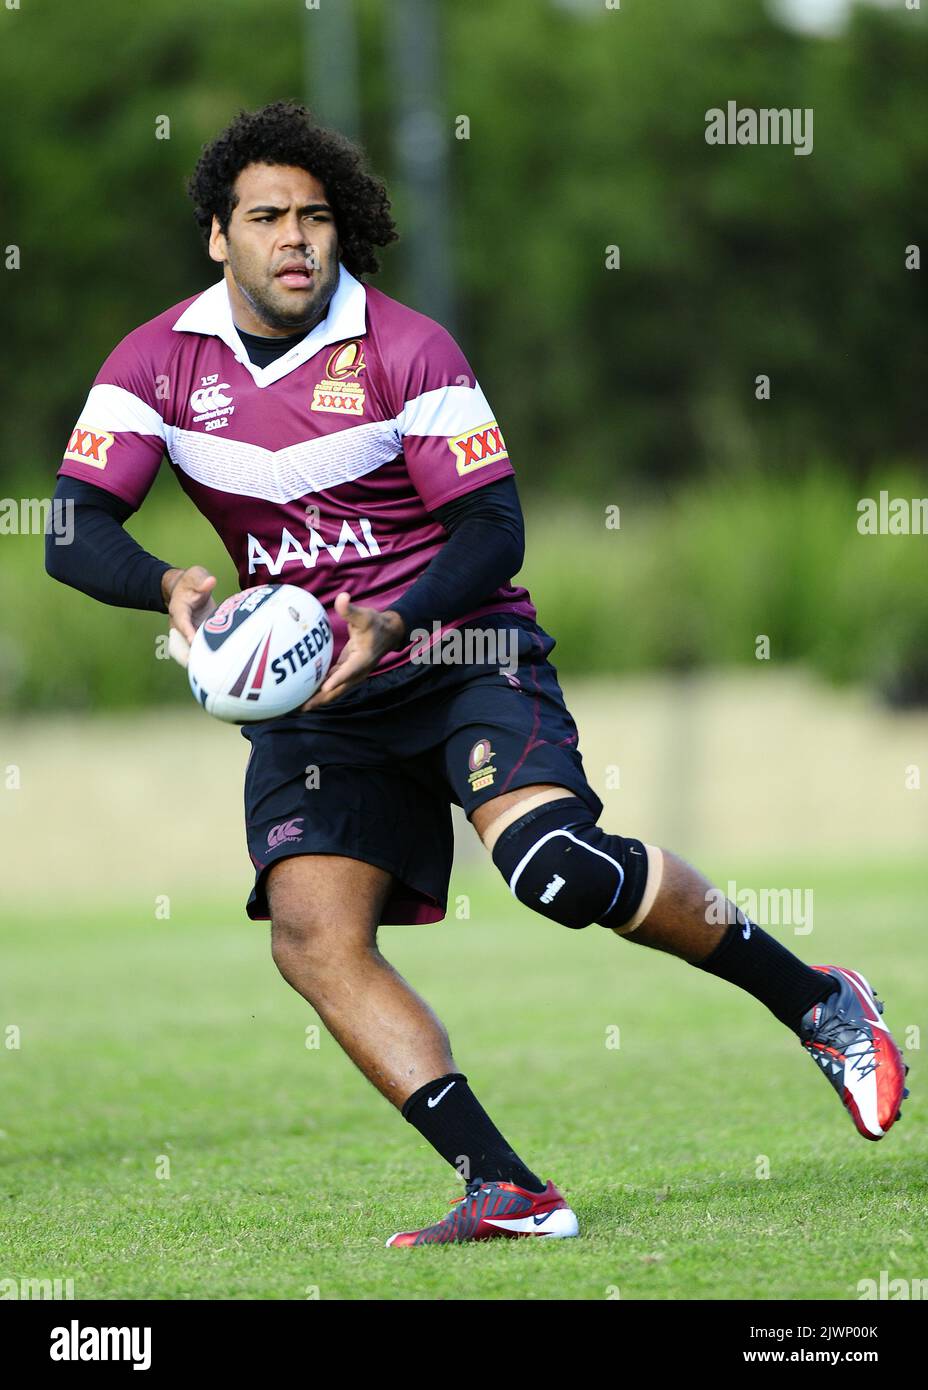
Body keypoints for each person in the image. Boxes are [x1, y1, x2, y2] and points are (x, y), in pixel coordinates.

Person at [46, 101, 908, 1247]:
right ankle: (509, 1190)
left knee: (555, 872)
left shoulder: (407, 347)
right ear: (219, 236)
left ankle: (819, 1001)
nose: (295, 239)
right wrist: (166, 587)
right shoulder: (157, 360)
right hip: (320, 702)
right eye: (266, 219)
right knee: (311, 934)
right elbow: (72, 528)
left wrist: (394, 621)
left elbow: (491, 531)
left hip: (459, 654)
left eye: (314, 218)